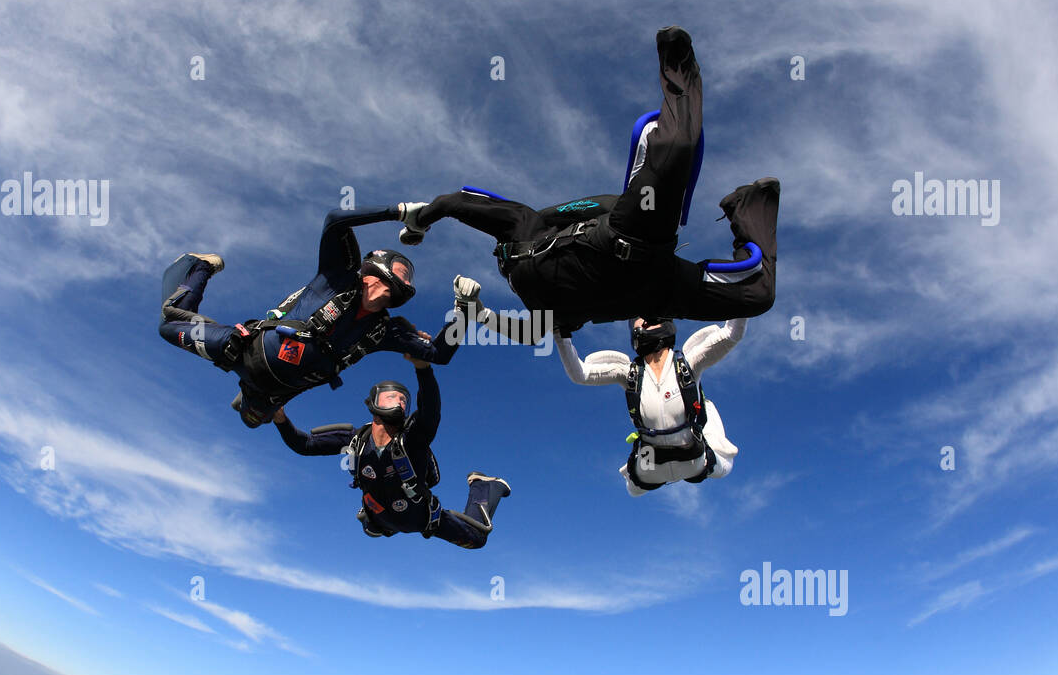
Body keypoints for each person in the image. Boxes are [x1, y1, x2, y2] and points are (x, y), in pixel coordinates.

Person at [396, 26, 779, 338]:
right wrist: (479, 315)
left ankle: (676, 68)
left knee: (678, 146)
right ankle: (751, 203)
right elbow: (530, 334)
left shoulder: (525, 230)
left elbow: (460, 201)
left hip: (631, 243)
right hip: (655, 288)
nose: (499, 266)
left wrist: (421, 218)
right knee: (759, 294)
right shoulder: (545, 302)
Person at [158, 204, 465, 428]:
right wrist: (397, 212)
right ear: (373, 269)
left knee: (254, 420)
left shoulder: (383, 331)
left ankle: (248, 396)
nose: (403, 282)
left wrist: (465, 309)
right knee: (168, 326)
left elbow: (439, 353)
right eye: (398, 273)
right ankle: (199, 266)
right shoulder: (339, 276)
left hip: (276, 392)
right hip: (241, 349)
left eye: (406, 280)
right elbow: (335, 221)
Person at [272, 359, 511, 549]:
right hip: (383, 517)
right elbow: (304, 445)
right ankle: (373, 518)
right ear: (374, 403)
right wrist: (280, 419)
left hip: (422, 518)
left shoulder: (412, 439)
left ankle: (484, 486)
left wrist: (423, 368)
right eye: (391, 397)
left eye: (403, 399)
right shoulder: (355, 440)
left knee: (477, 540)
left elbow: (430, 412)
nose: (399, 402)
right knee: (372, 527)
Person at [555, 317, 746, 496]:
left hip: (690, 460)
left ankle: (711, 453)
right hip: (653, 465)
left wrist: (743, 296)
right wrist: (560, 334)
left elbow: (732, 333)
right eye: (638, 323)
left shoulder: (688, 362)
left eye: (648, 319)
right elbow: (580, 374)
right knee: (634, 488)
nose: (642, 325)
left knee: (717, 442)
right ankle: (631, 470)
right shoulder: (629, 373)